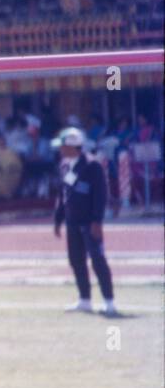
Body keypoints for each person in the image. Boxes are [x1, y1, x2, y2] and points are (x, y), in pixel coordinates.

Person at [52, 127, 115, 316]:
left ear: (72, 146)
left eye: (63, 146)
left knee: (97, 260)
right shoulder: (64, 165)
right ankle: (84, 299)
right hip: (72, 221)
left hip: (89, 222)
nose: (60, 150)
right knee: (76, 260)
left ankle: (109, 301)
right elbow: (63, 194)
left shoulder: (92, 166)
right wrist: (58, 219)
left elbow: (100, 195)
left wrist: (97, 221)